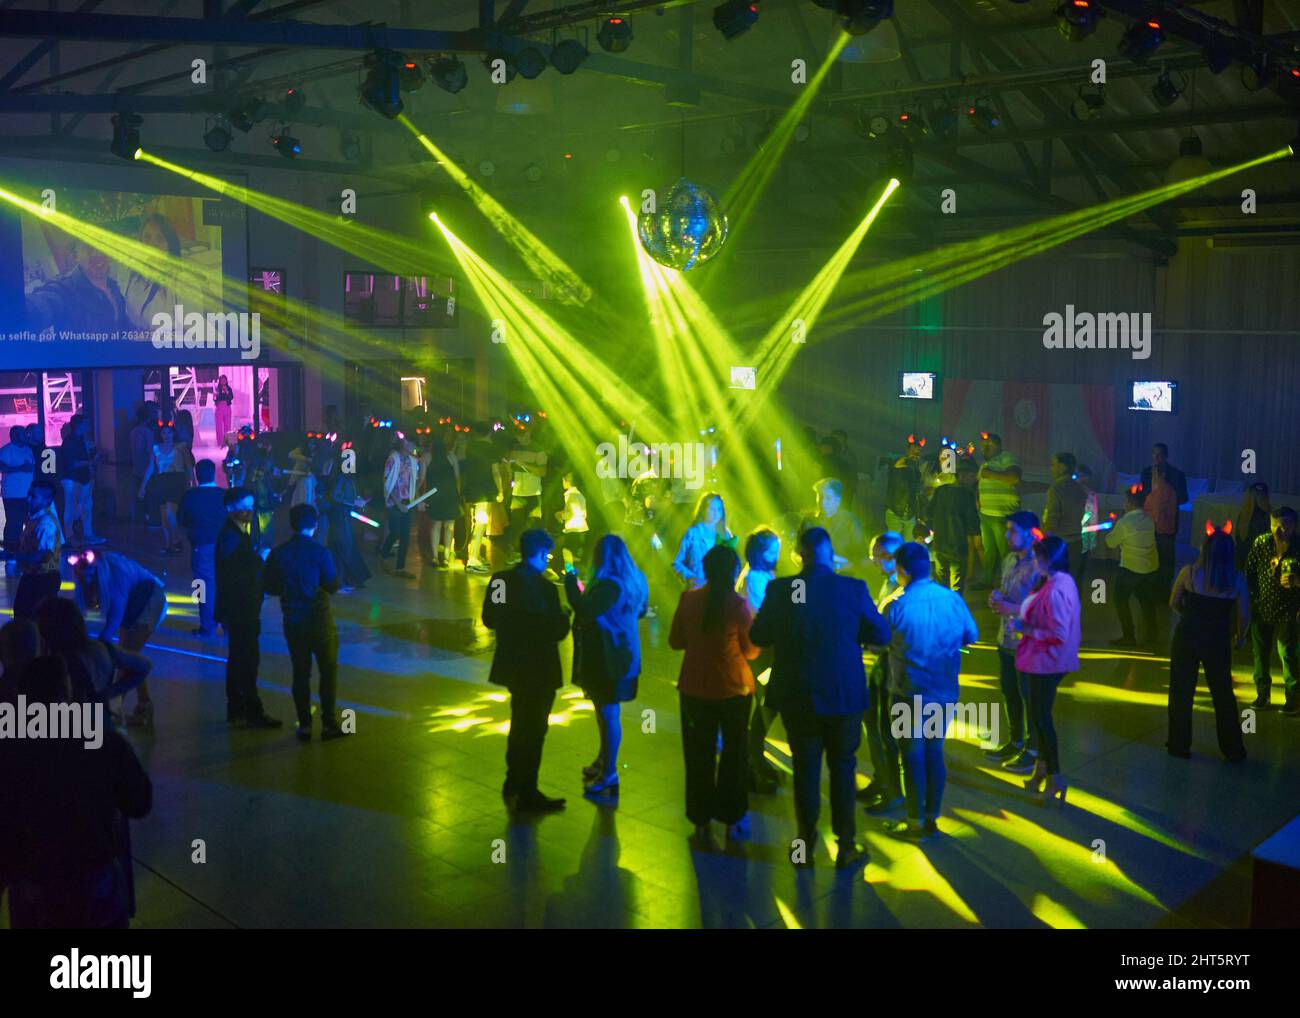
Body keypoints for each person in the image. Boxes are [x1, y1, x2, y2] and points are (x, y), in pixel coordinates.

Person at [750, 526, 890, 869]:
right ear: (831, 553)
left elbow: (759, 634)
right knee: (844, 768)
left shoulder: (782, 589)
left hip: (798, 694)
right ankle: (846, 847)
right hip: (843, 693)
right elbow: (882, 633)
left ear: (799, 554)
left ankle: (805, 845)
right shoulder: (852, 589)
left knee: (805, 768)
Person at [0, 656, 152, 929]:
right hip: (92, 874)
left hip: (32, 881)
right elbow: (140, 803)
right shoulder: (104, 742)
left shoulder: (9, 750)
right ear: (66, 691)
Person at [881, 541, 978, 840]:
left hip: (907, 694)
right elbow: (970, 636)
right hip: (944, 691)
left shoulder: (895, 605)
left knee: (910, 757)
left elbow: (876, 642)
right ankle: (932, 817)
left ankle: (914, 822)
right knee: (935, 752)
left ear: (902, 571)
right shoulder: (951, 599)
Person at [670, 545, 759, 841]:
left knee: (698, 754)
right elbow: (751, 651)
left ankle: (700, 820)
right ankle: (732, 820)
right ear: (734, 572)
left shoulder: (688, 600)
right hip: (734, 689)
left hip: (694, 686)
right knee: (734, 755)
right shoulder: (739, 606)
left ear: (705, 570)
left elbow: (675, 641)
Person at [482, 528, 571, 813]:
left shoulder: (500, 580)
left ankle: (513, 782)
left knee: (519, 721)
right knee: (535, 729)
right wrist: (566, 617)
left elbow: (489, 619)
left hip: (513, 665)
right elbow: (556, 632)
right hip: (541, 668)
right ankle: (528, 789)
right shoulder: (546, 588)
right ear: (543, 553)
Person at [565, 533, 648, 798]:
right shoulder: (635, 581)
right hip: (625, 655)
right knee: (605, 711)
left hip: (609, 658)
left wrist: (569, 579)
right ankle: (603, 761)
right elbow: (642, 611)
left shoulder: (609, 586)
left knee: (608, 714)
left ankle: (609, 773)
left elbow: (584, 609)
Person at [264, 504, 345, 740]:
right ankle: (329, 723)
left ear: (292, 524)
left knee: (301, 672)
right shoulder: (321, 553)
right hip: (319, 619)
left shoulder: (278, 553)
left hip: (293, 620)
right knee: (328, 671)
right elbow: (332, 585)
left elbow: (269, 586)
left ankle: (305, 724)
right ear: (315, 524)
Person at [1167, 528, 1248, 761]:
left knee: (1181, 691)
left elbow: (1173, 602)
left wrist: (1188, 615)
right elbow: (1243, 614)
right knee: (1222, 694)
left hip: (1188, 636)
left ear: (1205, 549)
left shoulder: (1190, 573)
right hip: (1217, 640)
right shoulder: (1237, 579)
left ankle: (1178, 745)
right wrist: (1240, 636)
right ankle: (1233, 749)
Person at [1012, 535, 1080, 806]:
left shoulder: (1055, 589)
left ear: (1049, 559)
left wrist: (1024, 629)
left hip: (1047, 662)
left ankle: (1055, 776)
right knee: (1039, 716)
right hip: (1045, 660)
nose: (1034, 560)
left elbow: (1059, 633)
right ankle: (1042, 770)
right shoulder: (1061, 581)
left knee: (1041, 718)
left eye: (1038, 556)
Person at [71, 549, 167, 728]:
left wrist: (97, 647)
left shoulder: (116, 576)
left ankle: (111, 711)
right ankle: (144, 705)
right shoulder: (93, 575)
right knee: (128, 655)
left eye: (91, 576)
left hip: (150, 600)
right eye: (84, 577)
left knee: (126, 658)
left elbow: (114, 620)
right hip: (134, 603)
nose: (88, 581)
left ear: (98, 570)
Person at [215, 487, 280, 728]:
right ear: (231, 509)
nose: (250, 512)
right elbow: (235, 572)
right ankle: (252, 710)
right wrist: (259, 559)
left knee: (238, 658)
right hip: (240, 609)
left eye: (251, 507)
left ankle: (237, 708)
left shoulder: (238, 532)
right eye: (245, 508)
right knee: (248, 659)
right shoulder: (232, 537)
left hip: (239, 607)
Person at [986, 511, 1043, 774]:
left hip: (1029, 642)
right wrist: (997, 597)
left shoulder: (1041, 566)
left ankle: (1033, 749)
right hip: (1006, 638)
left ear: (1031, 534)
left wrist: (1009, 606)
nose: (1007, 535)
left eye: (1012, 531)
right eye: (1007, 530)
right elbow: (1007, 591)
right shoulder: (1009, 559)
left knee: (1030, 695)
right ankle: (1015, 740)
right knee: (1010, 691)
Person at [36, 596, 152, 710]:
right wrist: (110, 692)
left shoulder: (51, 665)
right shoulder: (102, 649)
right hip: (99, 723)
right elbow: (144, 666)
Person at [860, 531, 906, 816]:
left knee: (885, 731)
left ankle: (892, 792)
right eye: (875, 556)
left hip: (893, 667)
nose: (878, 562)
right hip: (884, 665)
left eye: (884, 557)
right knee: (875, 725)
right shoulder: (887, 584)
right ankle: (882, 781)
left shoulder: (900, 591)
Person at [1243, 506, 1300, 714]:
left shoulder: (1298, 547)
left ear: (1294, 527)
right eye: (1274, 525)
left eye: (1283, 526)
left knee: (1288, 654)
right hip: (1262, 607)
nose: (1277, 531)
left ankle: (1293, 699)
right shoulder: (1262, 543)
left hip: (1290, 610)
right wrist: (1250, 599)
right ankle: (1262, 694)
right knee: (1260, 653)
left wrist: (1297, 581)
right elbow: (1248, 570)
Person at [738, 527, 782, 794]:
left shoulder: (763, 574)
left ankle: (755, 756)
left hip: (763, 648)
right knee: (766, 702)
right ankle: (752, 760)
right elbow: (759, 615)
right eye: (772, 547)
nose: (777, 551)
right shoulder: (754, 577)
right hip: (758, 650)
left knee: (767, 703)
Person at [1106, 486, 1161, 648]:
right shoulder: (1149, 519)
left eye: (1125, 501)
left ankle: (1129, 636)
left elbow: (1110, 542)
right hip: (1150, 567)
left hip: (1131, 568)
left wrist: (1113, 525)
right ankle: (1152, 634)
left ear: (1129, 503)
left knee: (1120, 599)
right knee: (1146, 601)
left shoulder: (1125, 522)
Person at [178, 459, 226, 638]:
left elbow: (182, 522)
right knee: (225, 586)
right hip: (225, 547)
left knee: (204, 589)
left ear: (196, 476)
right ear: (214, 473)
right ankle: (227, 625)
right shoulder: (224, 495)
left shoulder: (190, 497)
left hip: (201, 547)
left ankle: (207, 627)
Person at [925, 457, 982, 594]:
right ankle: (953, 612)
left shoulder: (941, 490)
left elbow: (928, 512)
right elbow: (973, 525)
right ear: (962, 475)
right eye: (972, 476)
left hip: (939, 545)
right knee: (956, 587)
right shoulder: (967, 494)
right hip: (957, 547)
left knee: (940, 584)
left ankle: (941, 611)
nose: (975, 480)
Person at [12, 480, 63, 621]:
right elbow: (29, 545)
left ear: (47, 501)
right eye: (29, 494)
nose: (28, 499)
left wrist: (13, 556)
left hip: (43, 580)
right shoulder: (33, 518)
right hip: (32, 577)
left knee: (35, 620)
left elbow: (43, 556)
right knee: (23, 615)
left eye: (33, 496)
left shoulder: (46, 523)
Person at [977, 433, 1022, 585]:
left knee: (1006, 553)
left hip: (1003, 515)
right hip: (986, 514)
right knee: (989, 552)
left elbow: (1014, 478)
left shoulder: (1007, 458)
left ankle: (1010, 584)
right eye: (982, 446)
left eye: (987, 445)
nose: (983, 449)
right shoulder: (986, 463)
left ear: (996, 444)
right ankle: (987, 579)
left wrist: (991, 474)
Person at [323, 450, 371, 592]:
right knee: (342, 548)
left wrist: (356, 501)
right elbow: (335, 497)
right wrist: (354, 502)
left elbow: (344, 496)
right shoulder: (342, 478)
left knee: (343, 548)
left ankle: (343, 581)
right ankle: (340, 582)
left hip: (343, 517)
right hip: (339, 517)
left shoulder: (346, 478)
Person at [139, 419, 189, 554]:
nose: (166, 435)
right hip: (162, 481)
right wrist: (143, 486)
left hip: (176, 480)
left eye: (169, 433)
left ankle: (175, 539)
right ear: (160, 434)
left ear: (173, 434)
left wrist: (192, 484)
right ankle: (168, 544)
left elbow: (188, 467)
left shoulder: (181, 447)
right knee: (163, 516)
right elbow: (150, 467)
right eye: (164, 433)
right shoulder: (155, 448)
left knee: (169, 512)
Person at [804, 477, 868, 576]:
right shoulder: (809, 521)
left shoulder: (850, 522)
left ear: (838, 500)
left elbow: (863, 557)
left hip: (842, 576)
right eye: (820, 497)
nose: (823, 502)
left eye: (828, 498)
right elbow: (796, 551)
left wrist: (843, 566)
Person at [59, 414, 104, 545]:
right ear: (79, 425)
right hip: (72, 479)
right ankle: (70, 536)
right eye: (86, 424)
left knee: (86, 507)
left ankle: (86, 534)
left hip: (83, 478)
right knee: (72, 507)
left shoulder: (83, 440)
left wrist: (93, 458)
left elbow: (89, 455)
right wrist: (92, 462)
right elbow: (73, 463)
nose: (88, 426)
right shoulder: (70, 441)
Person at [1043, 452, 1087, 587]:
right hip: (1077, 541)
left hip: (1060, 543)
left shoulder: (1056, 488)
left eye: (1053, 464)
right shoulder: (1079, 488)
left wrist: (1044, 534)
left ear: (1062, 467)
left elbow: (1053, 518)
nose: (1051, 468)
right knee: (1073, 582)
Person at [673, 491, 733, 589]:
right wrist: (691, 578)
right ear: (703, 509)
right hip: (696, 591)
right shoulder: (692, 533)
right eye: (711, 509)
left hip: (719, 591)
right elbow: (676, 563)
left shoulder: (726, 535)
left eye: (719, 509)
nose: (716, 513)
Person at [422, 428, 461, 568]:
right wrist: (458, 495)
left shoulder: (427, 457)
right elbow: (457, 478)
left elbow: (421, 479)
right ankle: (445, 557)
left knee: (435, 526)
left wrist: (419, 496)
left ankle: (434, 557)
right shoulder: (451, 456)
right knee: (449, 526)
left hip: (434, 495)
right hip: (450, 494)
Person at [380, 435, 419, 579]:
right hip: (394, 502)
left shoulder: (412, 461)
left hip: (408, 501)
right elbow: (386, 483)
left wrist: (415, 499)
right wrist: (398, 503)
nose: (413, 447)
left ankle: (400, 567)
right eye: (412, 444)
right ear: (404, 443)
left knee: (405, 535)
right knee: (395, 532)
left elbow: (414, 481)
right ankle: (384, 553)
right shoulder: (393, 459)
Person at [0, 425, 35, 576]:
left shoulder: (28, 449)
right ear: (14, 435)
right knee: (14, 523)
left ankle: (23, 551)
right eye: (22, 433)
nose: (25, 436)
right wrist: (21, 468)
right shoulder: (7, 450)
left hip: (27, 494)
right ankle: (10, 555)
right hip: (13, 494)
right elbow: (2, 467)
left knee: (26, 523)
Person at [1145, 463, 1179, 605]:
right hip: (1168, 531)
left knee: (1159, 564)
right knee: (1166, 563)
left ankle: (1157, 595)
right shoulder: (1170, 490)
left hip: (1158, 532)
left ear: (1160, 475)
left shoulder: (1160, 492)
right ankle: (1163, 593)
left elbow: (1156, 515)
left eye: (1154, 474)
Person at [884, 439, 922, 537]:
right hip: (895, 512)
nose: (916, 453)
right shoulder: (898, 462)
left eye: (918, 451)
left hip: (910, 513)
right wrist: (909, 460)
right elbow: (897, 464)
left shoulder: (916, 470)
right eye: (913, 450)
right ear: (907, 450)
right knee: (894, 544)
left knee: (909, 544)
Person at [556, 471, 590, 573]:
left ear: (567, 481)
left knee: (567, 551)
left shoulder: (571, 495)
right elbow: (583, 513)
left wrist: (561, 515)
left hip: (573, 527)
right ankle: (572, 572)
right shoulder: (579, 495)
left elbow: (573, 512)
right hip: (579, 527)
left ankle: (570, 573)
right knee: (570, 551)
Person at [1235, 481, 1272, 569]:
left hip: (1241, 561)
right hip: (1256, 564)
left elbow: (1238, 538)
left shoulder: (1244, 515)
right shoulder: (1265, 517)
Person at [129, 405, 156, 525]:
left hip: (136, 469)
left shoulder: (134, 431)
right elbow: (150, 452)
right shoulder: (147, 432)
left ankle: (140, 523)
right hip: (147, 470)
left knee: (139, 498)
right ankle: (149, 521)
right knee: (149, 498)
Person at [1140, 443, 1189, 510]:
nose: (1156, 456)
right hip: (1149, 513)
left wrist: (1167, 499)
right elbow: (1143, 494)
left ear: (1166, 456)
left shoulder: (1177, 475)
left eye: (1159, 454)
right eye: (1154, 453)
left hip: (1169, 514)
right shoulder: (1146, 473)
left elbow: (1184, 498)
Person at [1077, 464, 1100, 584]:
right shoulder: (1090, 494)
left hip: (1081, 536)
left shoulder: (1091, 495)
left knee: (1079, 569)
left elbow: (1093, 518)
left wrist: (1091, 542)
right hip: (1073, 535)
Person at [213, 374, 235, 447]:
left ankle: (227, 442)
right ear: (219, 381)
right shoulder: (217, 389)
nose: (223, 381)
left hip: (227, 407)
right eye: (221, 380)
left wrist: (227, 391)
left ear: (226, 381)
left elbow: (231, 397)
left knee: (227, 425)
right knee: (219, 426)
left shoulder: (229, 388)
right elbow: (215, 399)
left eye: (224, 380)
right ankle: (219, 442)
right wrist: (215, 396)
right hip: (219, 407)